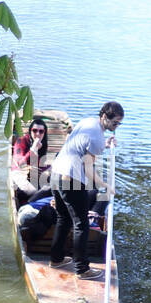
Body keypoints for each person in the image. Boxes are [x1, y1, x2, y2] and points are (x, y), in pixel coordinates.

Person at [49, 101, 122, 281]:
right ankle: (82, 270)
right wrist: (105, 186)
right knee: (81, 224)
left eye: (119, 124)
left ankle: (56, 259)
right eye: (115, 123)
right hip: (70, 180)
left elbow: (81, 145)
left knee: (63, 218)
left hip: (56, 174)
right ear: (104, 117)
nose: (116, 127)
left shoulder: (88, 122)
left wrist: (105, 144)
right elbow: (89, 171)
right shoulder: (96, 138)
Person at [11, 117, 52, 201]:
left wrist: (50, 168)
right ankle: (28, 203)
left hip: (31, 172)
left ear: (44, 133)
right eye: (34, 130)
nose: (37, 134)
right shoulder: (21, 140)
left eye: (41, 131)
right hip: (18, 171)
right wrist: (33, 149)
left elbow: (39, 163)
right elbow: (21, 163)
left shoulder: (42, 143)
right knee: (33, 191)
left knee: (55, 177)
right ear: (30, 131)